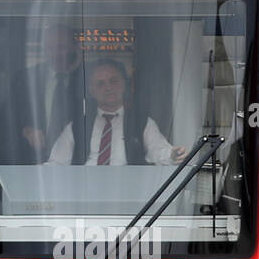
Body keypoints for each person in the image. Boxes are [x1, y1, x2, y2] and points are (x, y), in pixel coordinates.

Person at [47, 58, 186, 166]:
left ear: (124, 84)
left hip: (128, 191)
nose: (108, 88)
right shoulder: (77, 126)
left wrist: (173, 154)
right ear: (91, 91)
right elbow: (56, 163)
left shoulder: (141, 122)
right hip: (86, 191)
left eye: (113, 81)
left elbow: (160, 151)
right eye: (100, 83)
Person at [18, 24, 83, 161]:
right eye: (50, 48)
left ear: (75, 47)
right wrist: (26, 130)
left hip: (77, 161)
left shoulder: (88, 77)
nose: (55, 53)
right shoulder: (25, 79)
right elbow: (6, 118)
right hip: (33, 161)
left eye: (61, 47)